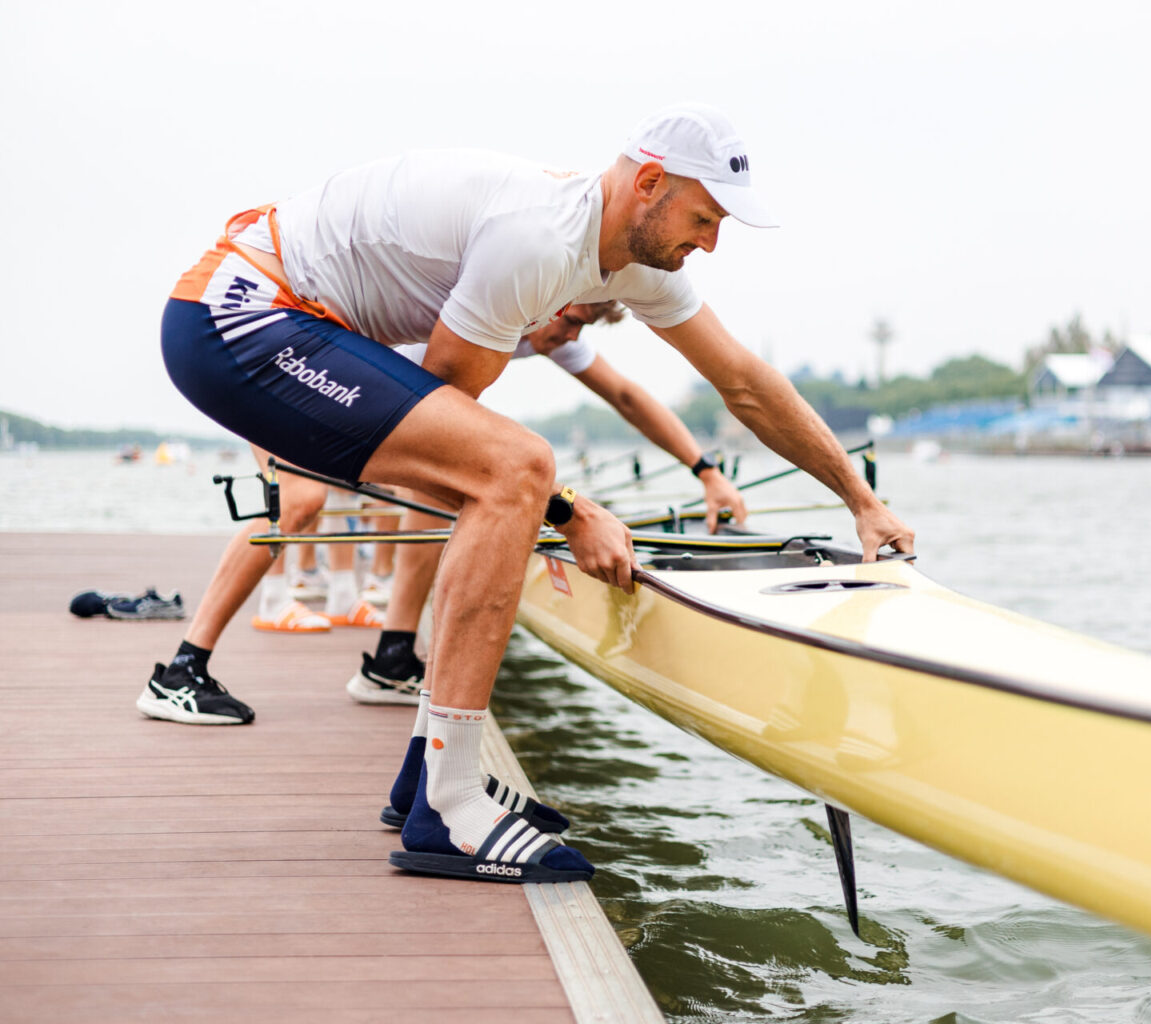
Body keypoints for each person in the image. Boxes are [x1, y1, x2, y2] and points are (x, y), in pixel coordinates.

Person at [148, 103, 914, 884]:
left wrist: (860, 499)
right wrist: (572, 510)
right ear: (648, 183)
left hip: (294, 323)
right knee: (514, 469)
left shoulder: (634, 260)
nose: (711, 243)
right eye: (704, 218)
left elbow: (745, 383)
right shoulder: (540, 239)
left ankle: (428, 773)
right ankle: (447, 809)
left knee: (508, 476)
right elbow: (456, 425)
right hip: (237, 315)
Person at [348, 300, 749, 706]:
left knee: (460, 480)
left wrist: (706, 471)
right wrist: (566, 510)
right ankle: (402, 658)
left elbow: (626, 396)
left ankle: (393, 657)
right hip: (349, 386)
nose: (572, 337)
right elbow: (437, 423)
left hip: (397, 396)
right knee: (469, 474)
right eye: (574, 322)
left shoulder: (553, 323)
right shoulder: (493, 307)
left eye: (583, 327)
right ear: (551, 305)